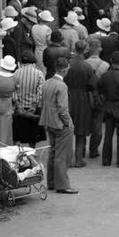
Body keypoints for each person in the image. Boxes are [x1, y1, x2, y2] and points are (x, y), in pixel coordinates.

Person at [40, 56, 77, 194]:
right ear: (65, 69)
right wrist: (69, 122)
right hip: (60, 123)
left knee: (53, 153)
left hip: (48, 121)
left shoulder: (47, 82)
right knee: (62, 155)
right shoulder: (62, 85)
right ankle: (62, 185)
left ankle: (51, 181)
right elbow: (63, 109)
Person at [97, 52, 119, 168]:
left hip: (108, 106)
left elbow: (100, 91)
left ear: (111, 61)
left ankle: (106, 159)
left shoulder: (104, 76)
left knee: (108, 134)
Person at [65, 41, 97, 168]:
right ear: (85, 50)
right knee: (81, 130)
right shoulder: (87, 66)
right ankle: (79, 158)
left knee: (67, 130)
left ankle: (67, 159)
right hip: (82, 98)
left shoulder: (68, 64)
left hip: (68, 96)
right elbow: (92, 85)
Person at [0, 55, 17, 147]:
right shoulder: (14, 78)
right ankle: (4, 147)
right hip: (7, 104)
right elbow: (16, 90)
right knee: (5, 129)